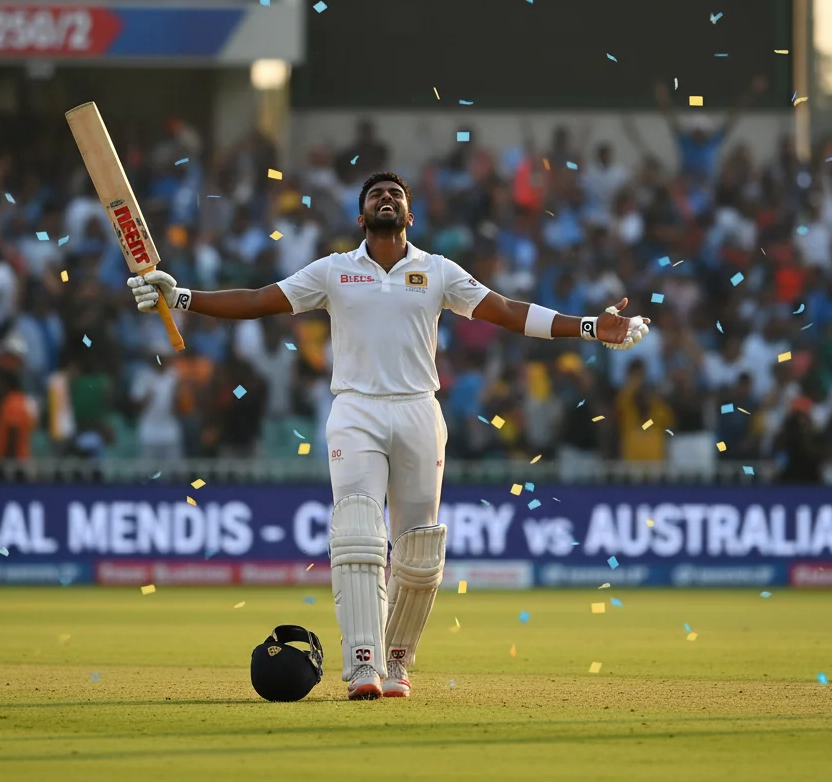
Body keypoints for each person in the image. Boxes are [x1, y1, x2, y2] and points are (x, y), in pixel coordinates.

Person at [128, 171, 651, 700]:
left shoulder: (438, 271)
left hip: (420, 411)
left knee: (419, 549)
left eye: (395, 195)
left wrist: (588, 326)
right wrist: (184, 297)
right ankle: (362, 664)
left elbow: (508, 312)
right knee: (357, 529)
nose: (386, 199)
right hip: (355, 409)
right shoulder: (334, 270)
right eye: (376, 195)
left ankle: (397, 661)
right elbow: (262, 299)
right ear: (361, 217)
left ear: (409, 215)